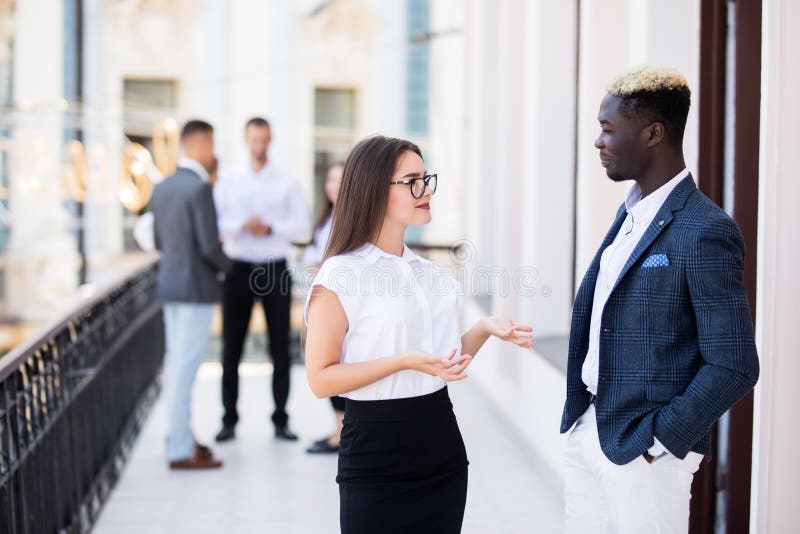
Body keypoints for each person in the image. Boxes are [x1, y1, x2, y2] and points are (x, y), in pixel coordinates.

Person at [561, 65, 760, 533]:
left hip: (645, 453)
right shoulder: (630, 214)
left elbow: (734, 363)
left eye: (608, 129)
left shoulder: (705, 229)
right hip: (589, 429)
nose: (598, 142)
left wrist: (660, 441)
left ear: (653, 134)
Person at [304, 135, 533, 534]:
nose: (426, 190)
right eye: (412, 181)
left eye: (426, 179)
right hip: (375, 454)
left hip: (441, 448)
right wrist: (401, 362)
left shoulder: (431, 276)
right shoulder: (340, 275)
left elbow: (440, 363)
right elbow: (321, 379)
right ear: (375, 189)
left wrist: (483, 329)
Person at [213, 117, 311, 442]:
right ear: (246, 140)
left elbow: (302, 224)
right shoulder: (229, 180)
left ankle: (281, 419)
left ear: (270, 140)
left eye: (264, 139)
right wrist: (241, 225)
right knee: (231, 348)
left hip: (274, 268)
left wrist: (270, 228)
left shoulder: (287, 180)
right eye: (254, 139)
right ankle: (228, 419)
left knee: (281, 347)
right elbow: (215, 222)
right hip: (238, 267)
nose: (259, 145)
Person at [149, 119, 231, 469]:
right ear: (200, 144)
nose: (214, 152)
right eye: (212, 144)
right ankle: (181, 449)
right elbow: (209, 247)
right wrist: (231, 267)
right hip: (196, 288)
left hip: (169, 285)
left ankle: (178, 436)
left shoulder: (162, 187)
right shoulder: (199, 188)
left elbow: (157, 240)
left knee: (175, 366)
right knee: (185, 370)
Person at [302, 162, 346, 454]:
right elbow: (311, 255)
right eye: (330, 179)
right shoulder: (324, 219)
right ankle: (338, 430)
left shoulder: (350, 221)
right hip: (322, 299)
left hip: (339, 303)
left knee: (335, 367)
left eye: (340, 180)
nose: (334, 185)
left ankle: (342, 434)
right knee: (326, 365)